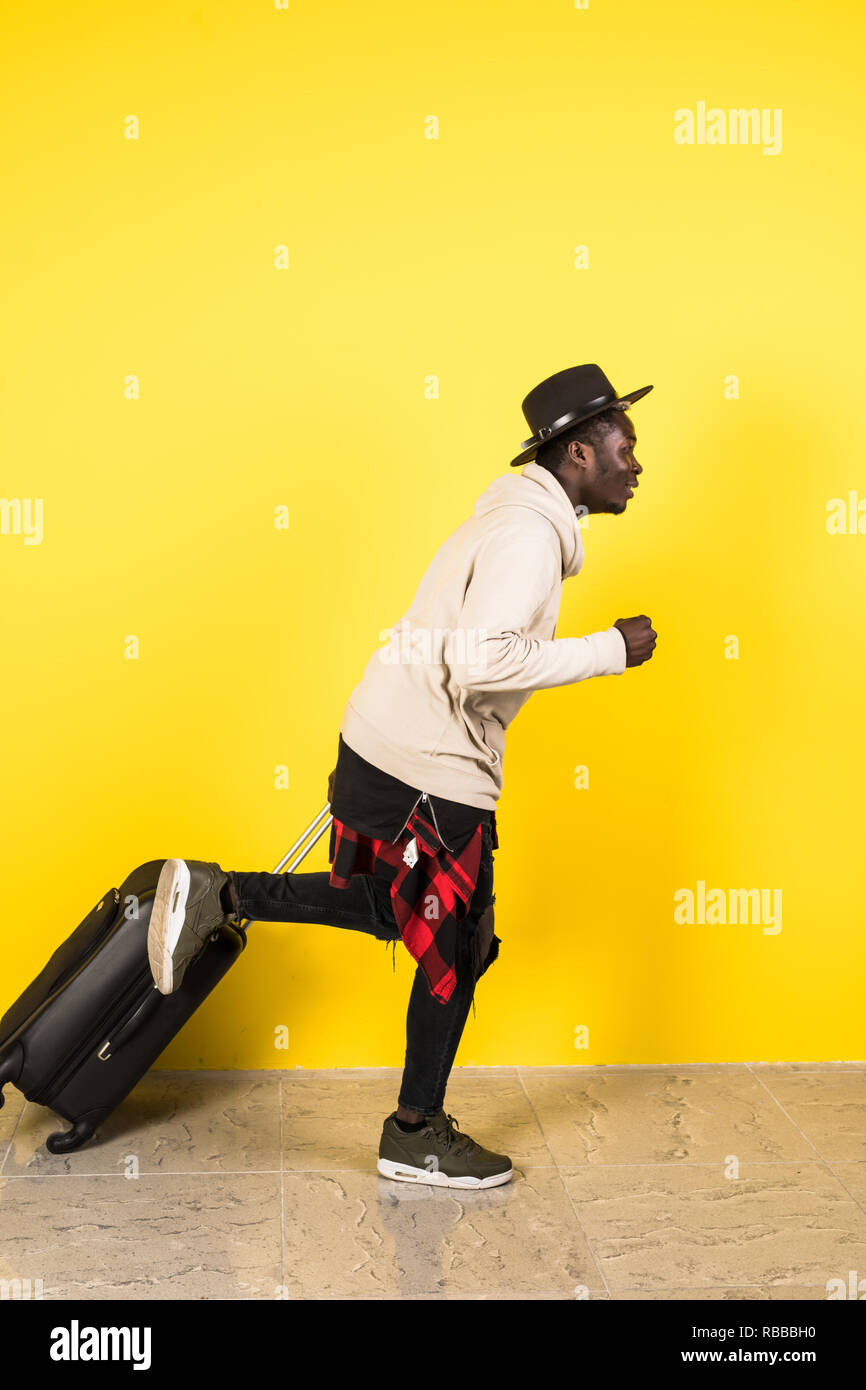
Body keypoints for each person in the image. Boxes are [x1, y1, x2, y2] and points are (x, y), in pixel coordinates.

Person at [145, 363, 658, 1189]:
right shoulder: (527, 535)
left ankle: (225, 894)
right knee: (459, 938)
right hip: (428, 761)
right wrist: (609, 652)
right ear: (577, 455)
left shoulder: (517, 519)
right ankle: (414, 1132)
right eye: (624, 446)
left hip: (383, 737)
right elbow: (482, 662)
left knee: (400, 912)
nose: (638, 463)